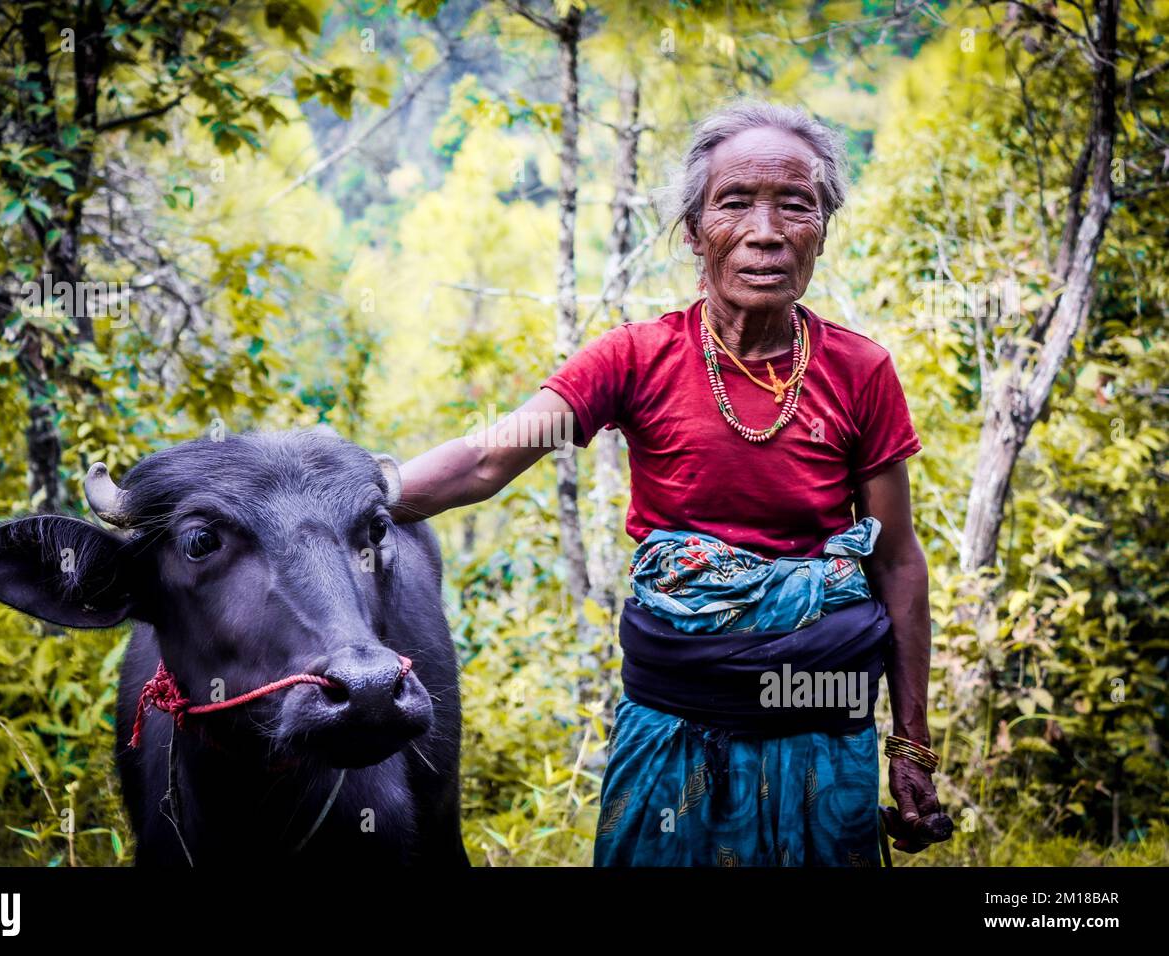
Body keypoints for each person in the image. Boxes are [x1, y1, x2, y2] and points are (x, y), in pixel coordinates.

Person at [388, 99, 953, 866]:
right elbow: (488, 459)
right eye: (735, 204)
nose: (766, 231)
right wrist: (355, 492)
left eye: (796, 205)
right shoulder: (635, 359)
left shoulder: (861, 372)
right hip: (672, 728)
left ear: (822, 228)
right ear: (694, 231)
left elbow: (895, 562)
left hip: (822, 727)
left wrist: (910, 748)